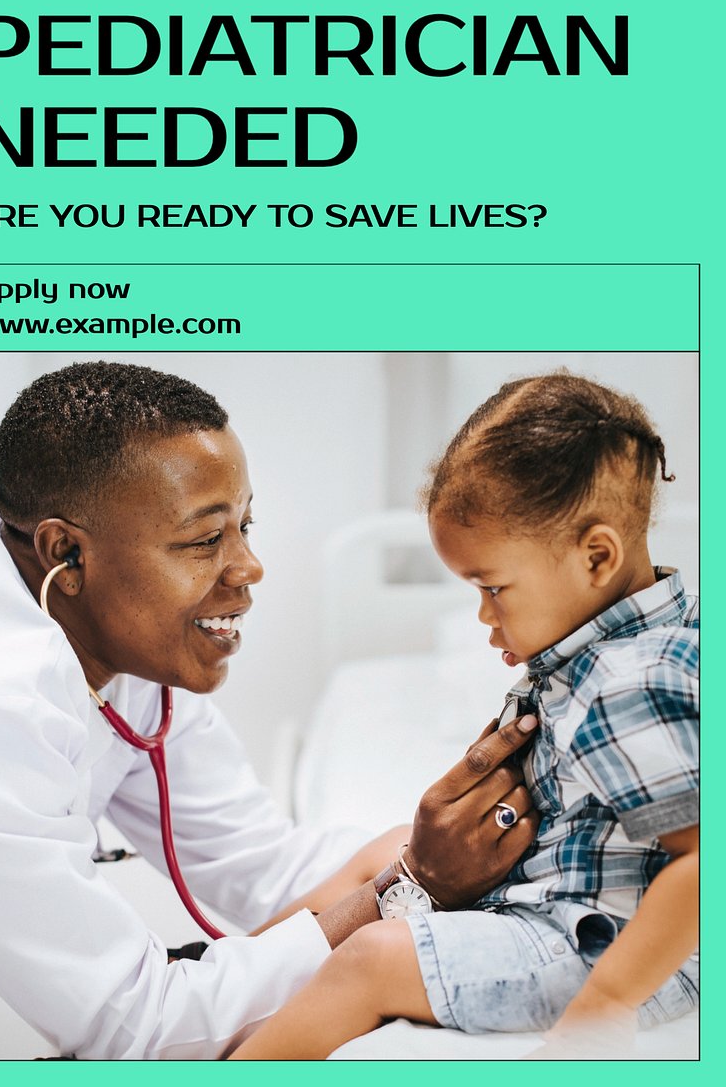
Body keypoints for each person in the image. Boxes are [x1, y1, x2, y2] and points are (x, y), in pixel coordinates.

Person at [0, 360, 540, 1060]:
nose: (249, 566)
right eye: (205, 540)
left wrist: (420, 846)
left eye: (244, 525)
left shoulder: (123, 654)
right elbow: (135, 1026)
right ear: (66, 552)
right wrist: (405, 885)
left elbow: (262, 866)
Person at [230, 371, 699, 1061]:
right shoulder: (619, 648)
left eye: (492, 587)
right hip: (559, 896)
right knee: (388, 849)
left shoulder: (629, 680)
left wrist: (605, 1004)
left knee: (373, 957)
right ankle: (229, 989)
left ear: (597, 556)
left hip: (607, 943)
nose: (483, 616)